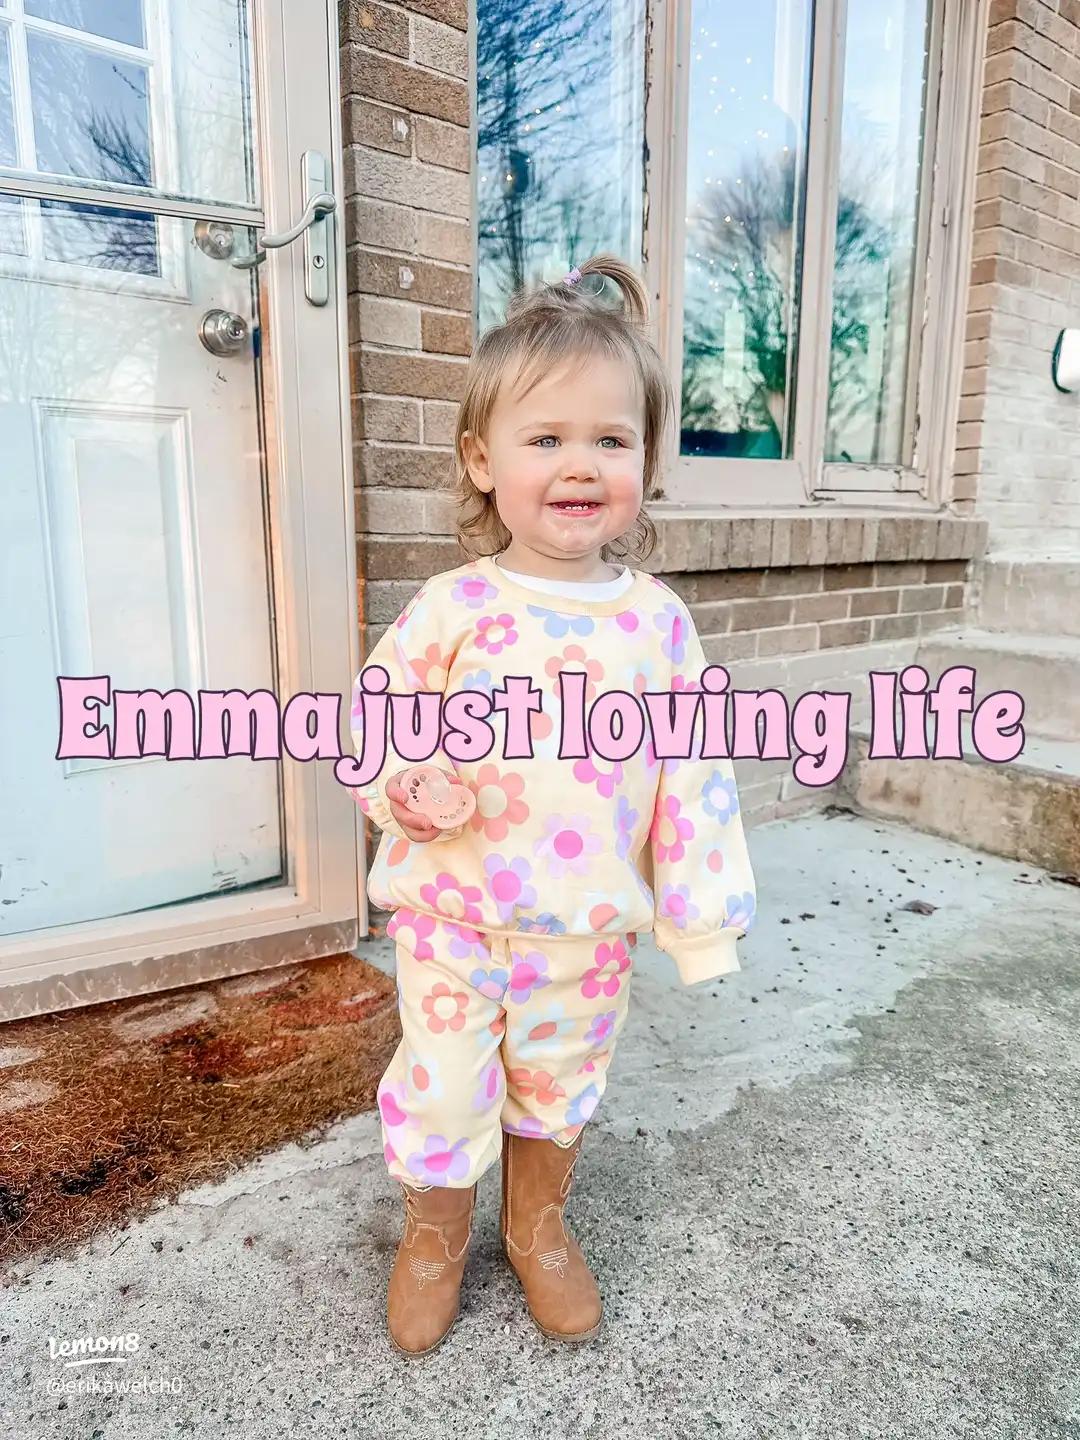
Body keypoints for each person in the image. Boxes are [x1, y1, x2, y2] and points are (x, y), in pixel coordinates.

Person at [348, 254, 757, 1356]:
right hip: (454, 916)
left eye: (610, 440)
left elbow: (694, 771)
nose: (580, 465)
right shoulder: (454, 606)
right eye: (547, 439)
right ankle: (435, 1233)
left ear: (647, 460)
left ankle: (536, 1224)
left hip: (586, 933)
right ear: (484, 462)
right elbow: (376, 713)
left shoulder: (658, 623)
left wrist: (701, 920)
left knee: (561, 1085)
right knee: (441, 1086)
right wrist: (406, 779)